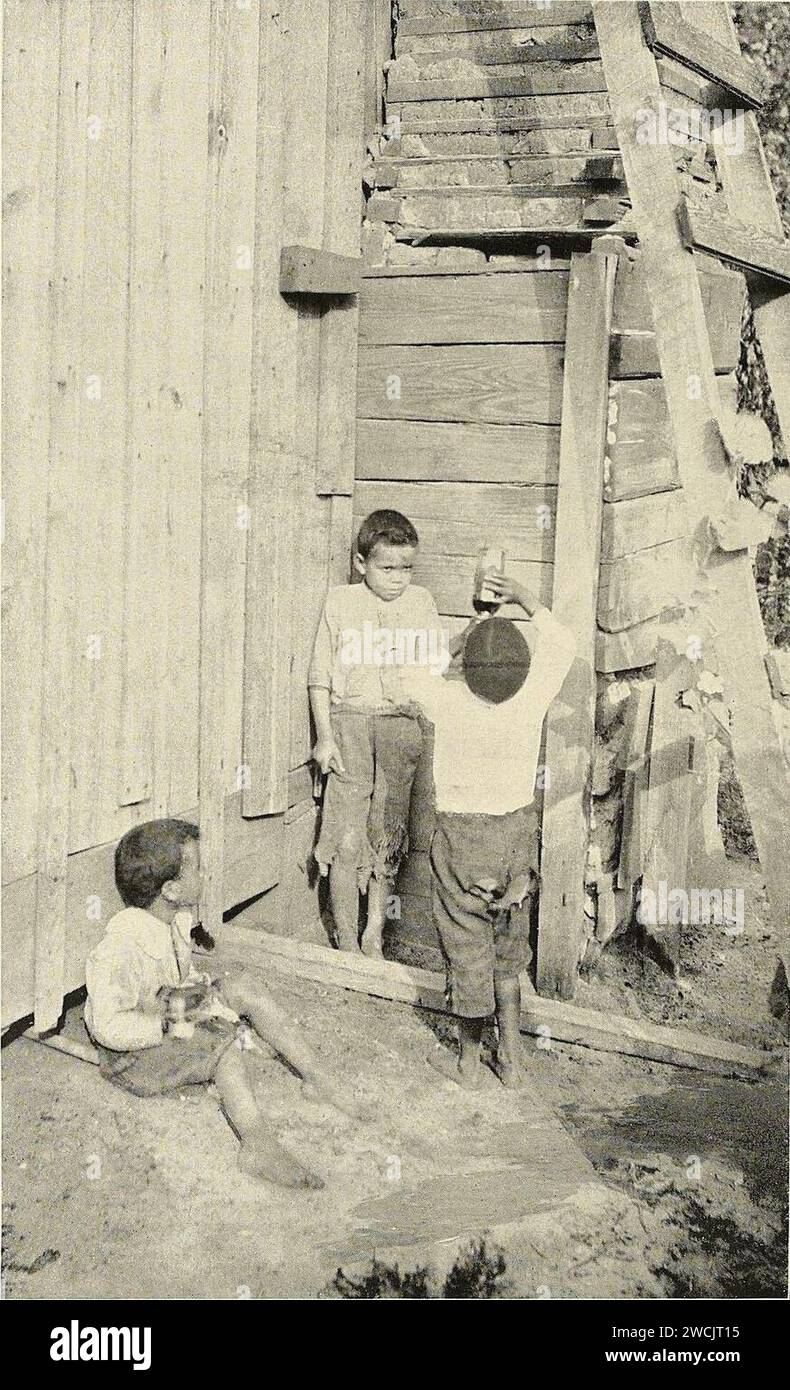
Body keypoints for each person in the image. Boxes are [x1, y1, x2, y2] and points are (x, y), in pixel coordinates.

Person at [85, 819, 368, 1189]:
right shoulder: (121, 947)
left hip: (168, 1011)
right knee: (221, 1045)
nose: (204, 874)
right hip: (132, 1056)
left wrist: (203, 998)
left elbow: (178, 980)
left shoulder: (174, 921)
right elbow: (106, 1025)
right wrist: (171, 1025)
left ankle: (319, 1078)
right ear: (170, 889)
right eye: (197, 868)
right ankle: (258, 1145)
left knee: (243, 987)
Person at [401, 574, 575, 1090]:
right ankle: (514, 1064)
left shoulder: (449, 701)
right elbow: (562, 644)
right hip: (515, 838)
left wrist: (460, 639)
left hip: (462, 841)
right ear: (524, 671)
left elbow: (411, 674)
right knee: (506, 955)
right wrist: (524, 596)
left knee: (467, 949)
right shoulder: (531, 699)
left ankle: (469, 1063)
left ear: (467, 670)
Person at [308, 509, 447, 955]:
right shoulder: (340, 602)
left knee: (387, 835)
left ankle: (374, 934)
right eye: (387, 568)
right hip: (349, 727)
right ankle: (347, 937)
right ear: (360, 562)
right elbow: (319, 676)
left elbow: (436, 669)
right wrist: (324, 736)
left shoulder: (421, 603)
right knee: (345, 837)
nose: (398, 578)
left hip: (399, 729)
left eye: (406, 568)